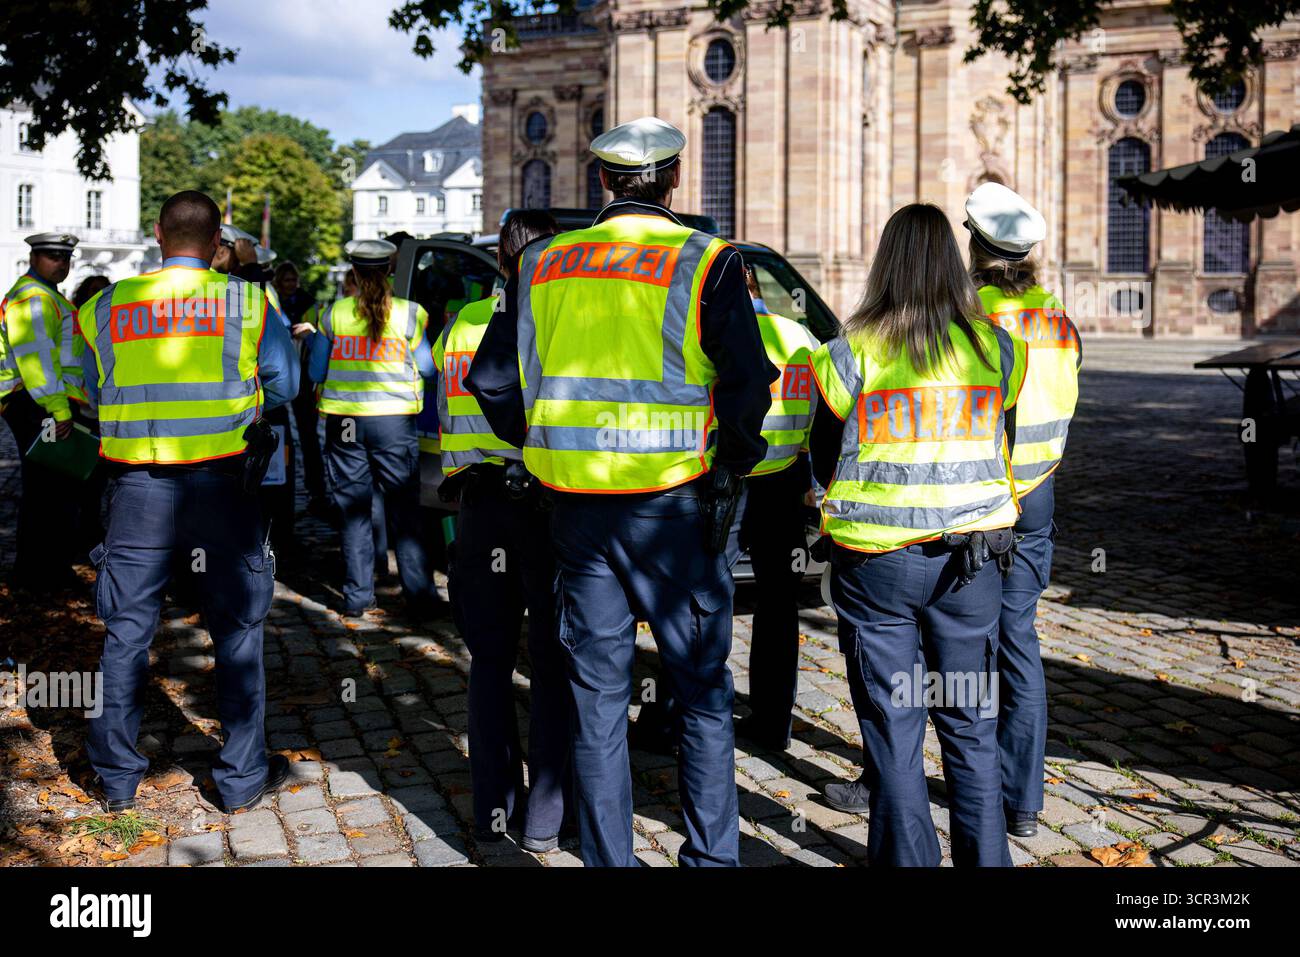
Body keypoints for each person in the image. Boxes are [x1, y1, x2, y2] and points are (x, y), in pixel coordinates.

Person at [466, 116, 777, 867]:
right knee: (701, 695)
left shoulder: (538, 263)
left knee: (596, 701)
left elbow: (492, 381)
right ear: (673, 179)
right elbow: (748, 385)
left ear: (603, 180)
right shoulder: (709, 260)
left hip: (575, 511)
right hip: (676, 510)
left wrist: (542, 441)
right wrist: (734, 459)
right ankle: (711, 858)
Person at [806, 203, 1027, 867]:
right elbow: (1002, 443)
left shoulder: (849, 353)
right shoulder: (998, 349)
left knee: (895, 730)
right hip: (972, 568)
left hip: (877, 566)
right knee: (969, 726)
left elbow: (823, 458)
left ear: (886, 263)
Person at [77, 190, 299, 812]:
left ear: (156, 233)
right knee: (236, 629)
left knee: (125, 633)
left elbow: (89, 389)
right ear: (217, 239)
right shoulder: (247, 301)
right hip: (221, 490)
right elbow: (287, 383)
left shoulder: (108, 304)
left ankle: (118, 782)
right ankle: (239, 778)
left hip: (136, 489)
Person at [434, 209, 572, 852]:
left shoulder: (460, 327)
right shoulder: (562, 321)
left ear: (498, 261)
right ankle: (545, 817)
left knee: (487, 662)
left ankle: (494, 805)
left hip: (478, 503)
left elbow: (446, 408)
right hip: (543, 503)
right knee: (550, 658)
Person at [965, 182, 1082, 839]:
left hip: (975, 494)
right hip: (1036, 494)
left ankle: (907, 780)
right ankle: (1024, 801)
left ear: (976, 248)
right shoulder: (1060, 319)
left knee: (948, 642)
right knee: (1018, 644)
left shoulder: (968, 316)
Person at [307, 239, 440, 619]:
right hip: (393, 422)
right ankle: (419, 597)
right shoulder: (410, 314)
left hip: (346, 422)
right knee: (405, 512)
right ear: (389, 272)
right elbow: (428, 369)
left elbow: (316, 371)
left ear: (353, 272)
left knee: (353, 510)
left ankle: (357, 598)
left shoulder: (333, 315)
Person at [734, 265, 820, 752]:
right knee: (778, 605)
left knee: (702, 599)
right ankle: (773, 721)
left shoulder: (721, 329)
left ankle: (687, 708)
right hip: (785, 479)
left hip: (727, 479)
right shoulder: (800, 336)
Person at [0, 233, 88, 592]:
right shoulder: (33, 298)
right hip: (36, 403)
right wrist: (58, 410)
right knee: (46, 492)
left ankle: (46, 570)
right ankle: (38, 575)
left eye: (66, 258)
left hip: (42, 403)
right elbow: (38, 360)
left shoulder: (46, 296)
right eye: (53, 257)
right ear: (34, 258)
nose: (61, 264)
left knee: (53, 490)